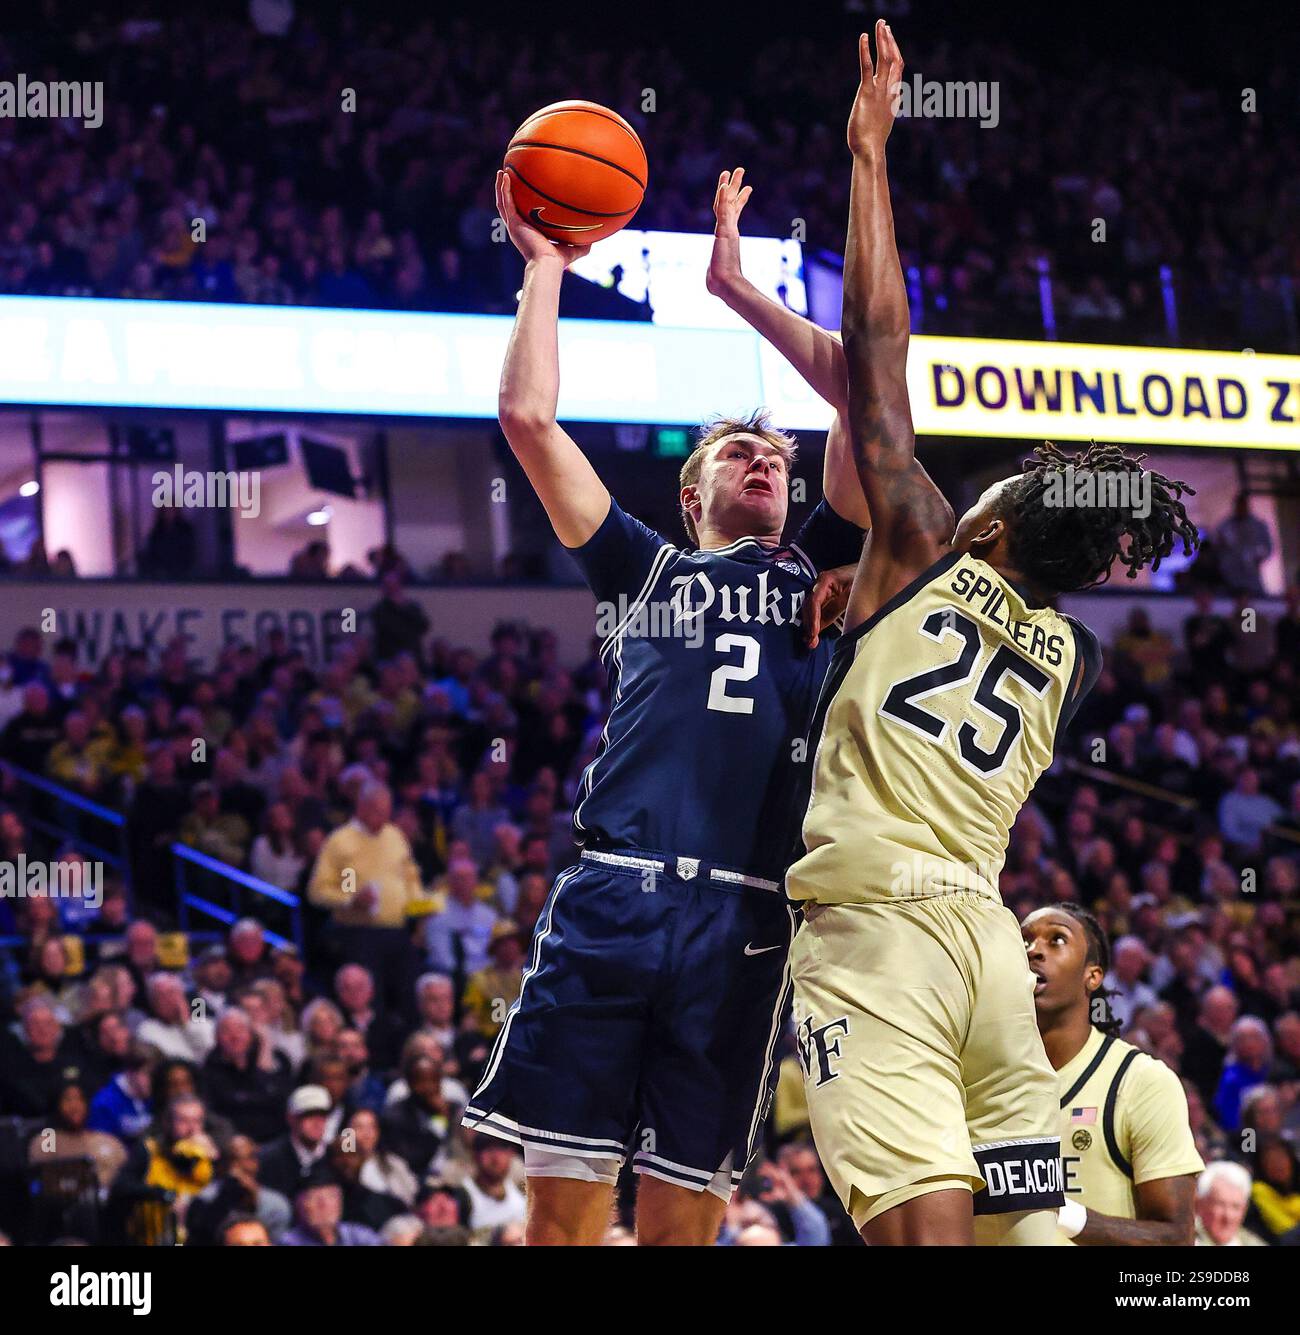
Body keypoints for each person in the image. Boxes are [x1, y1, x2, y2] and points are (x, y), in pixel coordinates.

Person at [786, 23, 1199, 1248]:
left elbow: (872, 353)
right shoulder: (1070, 658)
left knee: (923, 1237)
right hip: (984, 939)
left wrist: (869, 158)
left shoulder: (922, 543)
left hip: (880, 932)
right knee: (1029, 1240)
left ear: (999, 528)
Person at [465, 141, 870, 1247]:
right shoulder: (646, 570)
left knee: (687, 1215)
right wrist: (545, 263)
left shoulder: (821, 577)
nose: (764, 467)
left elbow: (866, 393)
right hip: (614, 898)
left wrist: (738, 288)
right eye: (739, 455)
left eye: (776, 460)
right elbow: (529, 421)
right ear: (690, 494)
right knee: (560, 1216)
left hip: (742, 917)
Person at [1022, 903, 1202, 1244]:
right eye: (1024, 942)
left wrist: (1064, 1214)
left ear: (1093, 975)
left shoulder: (1141, 1081)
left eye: (1056, 940)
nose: (1033, 951)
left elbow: (1176, 1238)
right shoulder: (979, 1078)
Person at [1194, 1161, 1269, 1246]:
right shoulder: (1183, 1238)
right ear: (1200, 1204)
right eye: (1220, 1204)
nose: (1228, 1216)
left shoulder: (1254, 1243)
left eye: (1236, 1207)